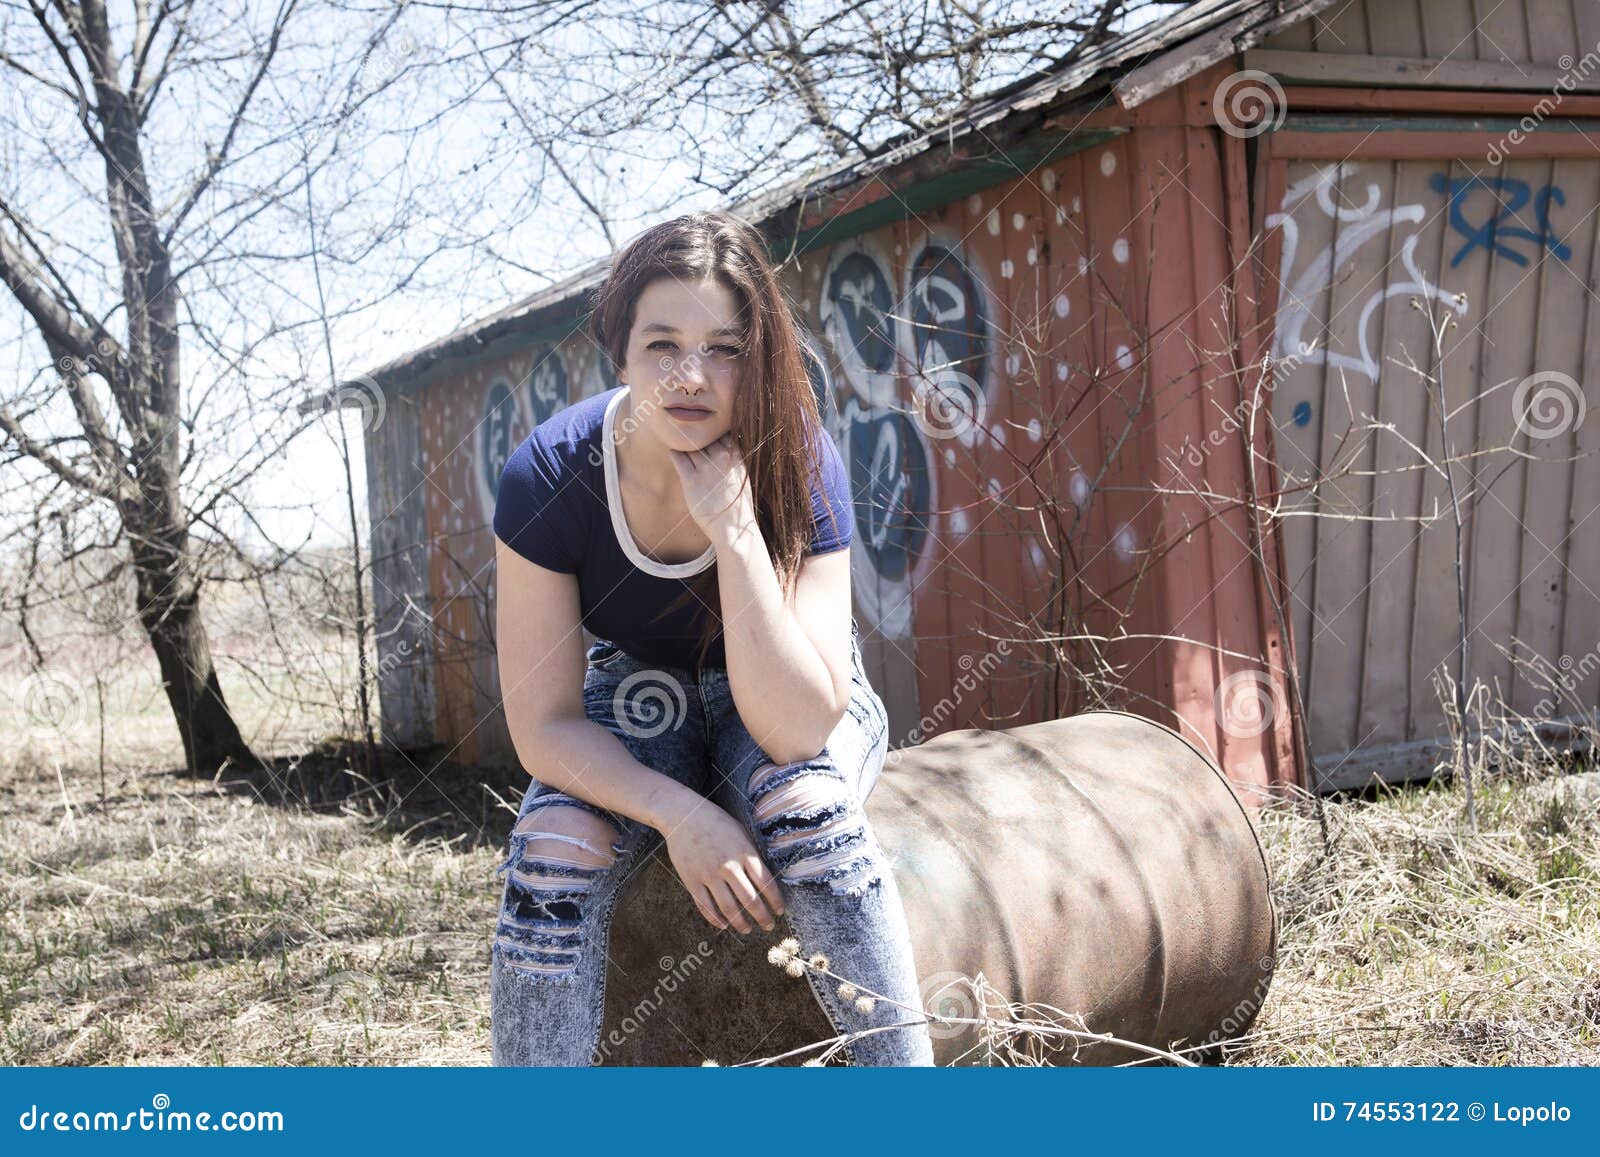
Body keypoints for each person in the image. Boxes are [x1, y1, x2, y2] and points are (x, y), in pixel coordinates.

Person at [488, 210, 935, 1066]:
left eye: (725, 349)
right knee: (550, 853)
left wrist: (733, 530)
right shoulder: (548, 475)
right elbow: (540, 724)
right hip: (638, 695)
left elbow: (799, 727)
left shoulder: (796, 459)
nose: (691, 376)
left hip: (789, 687)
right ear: (619, 353)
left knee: (806, 811)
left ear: (757, 358)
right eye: (662, 345)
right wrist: (681, 813)